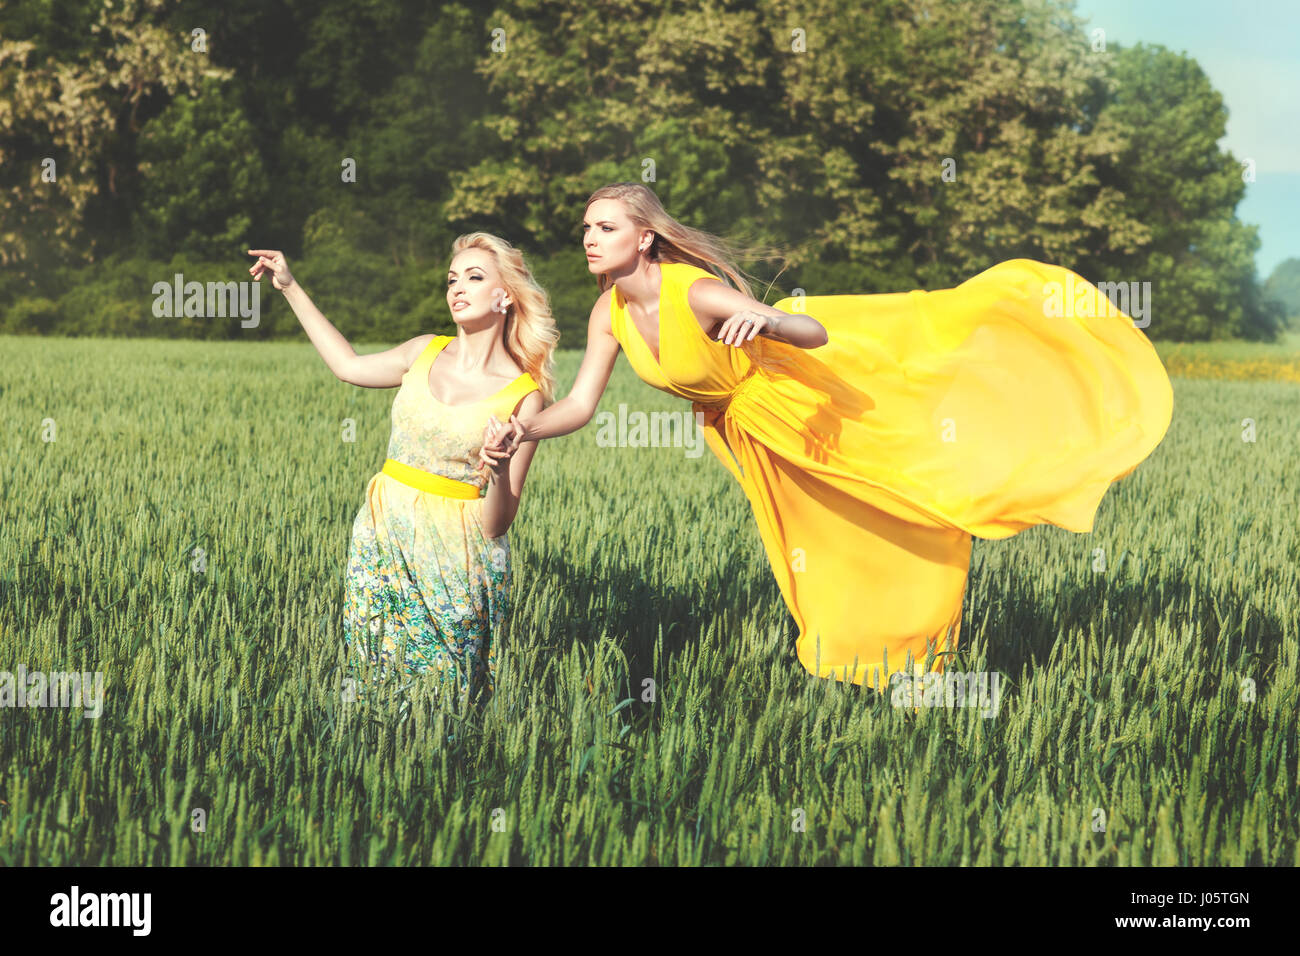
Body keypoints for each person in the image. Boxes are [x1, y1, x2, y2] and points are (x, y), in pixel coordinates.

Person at [479, 182, 1173, 693]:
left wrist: (771, 324)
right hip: (751, 443)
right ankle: (888, 667)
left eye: (604, 226)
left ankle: (933, 643)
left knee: (897, 498)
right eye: (586, 228)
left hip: (796, 411)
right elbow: (576, 405)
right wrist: (521, 425)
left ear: (645, 237)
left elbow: (814, 332)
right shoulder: (611, 311)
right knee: (821, 554)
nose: (589, 238)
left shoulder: (697, 293)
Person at [248, 234, 558, 706]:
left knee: (442, 691)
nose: (457, 287)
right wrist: (290, 285)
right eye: (453, 278)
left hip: (458, 553)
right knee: (374, 668)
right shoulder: (423, 351)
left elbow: (498, 522)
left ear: (506, 295)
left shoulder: (524, 395)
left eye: (475, 278)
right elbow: (347, 365)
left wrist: (495, 470)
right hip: (382, 532)